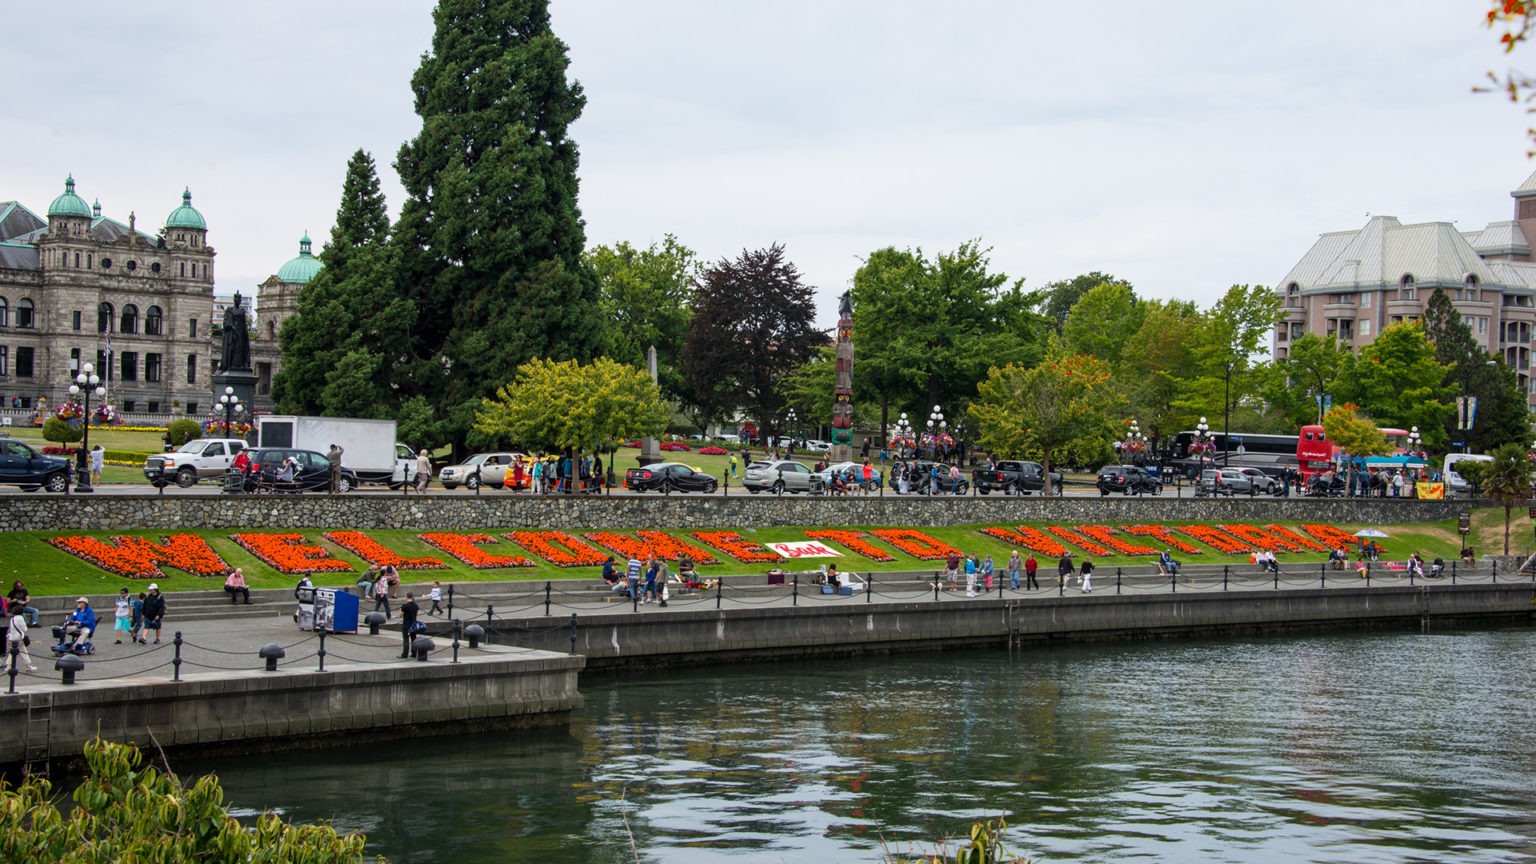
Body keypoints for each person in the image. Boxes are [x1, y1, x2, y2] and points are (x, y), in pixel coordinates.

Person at [6, 606, 33, 673]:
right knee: (23, 652)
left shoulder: (12, 619)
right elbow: (25, 629)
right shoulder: (20, 618)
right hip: (19, 638)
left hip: (12, 637)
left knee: (13, 652)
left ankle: (8, 666)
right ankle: (28, 666)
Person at [399, 592, 420, 658]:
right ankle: (414, 653)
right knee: (413, 638)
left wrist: (400, 609)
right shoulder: (415, 605)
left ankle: (405, 654)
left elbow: (400, 615)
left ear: (406, 597)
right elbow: (417, 614)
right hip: (413, 625)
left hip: (406, 625)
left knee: (406, 639)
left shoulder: (405, 605)